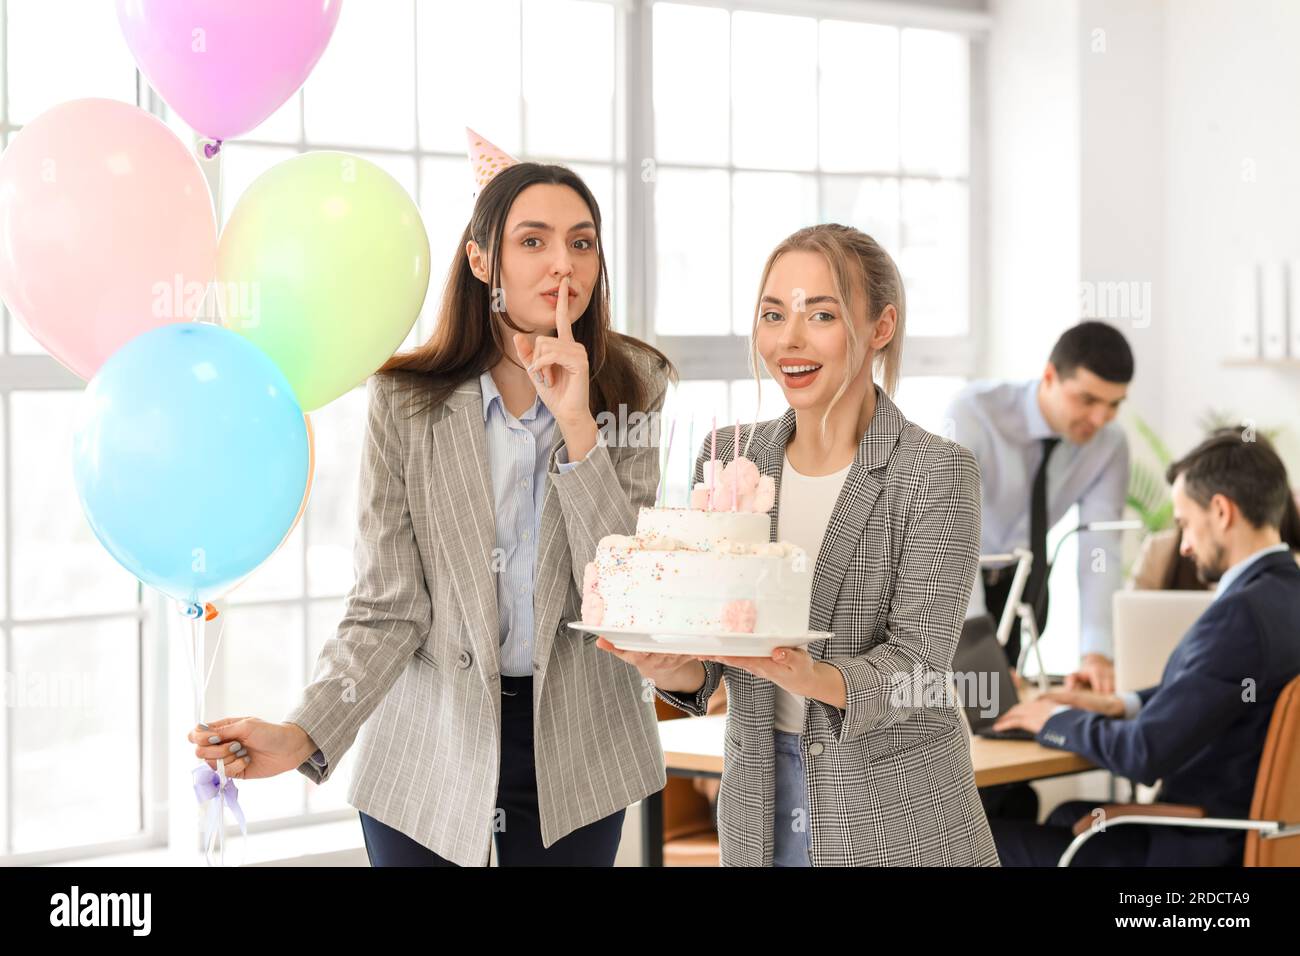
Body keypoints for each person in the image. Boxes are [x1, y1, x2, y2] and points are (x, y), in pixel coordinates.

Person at [188, 151, 676, 866]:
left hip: (582, 748)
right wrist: (302, 733)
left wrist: (577, 424)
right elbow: (387, 607)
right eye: (532, 241)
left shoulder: (636, 387)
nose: (562, 265)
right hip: (428, 742)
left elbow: (624, 594)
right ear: (483, 262)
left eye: (581, 242)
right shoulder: (406, 401)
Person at [599, 224, 998, 866]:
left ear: (880, 327)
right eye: (773, 314)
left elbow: (921, 670)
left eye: (822, 314)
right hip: (760, 797)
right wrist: (672, 667)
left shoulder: (935, 471)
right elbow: (716, 652)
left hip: (894, 809)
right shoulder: (730, 457)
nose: (790, 340)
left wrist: (813, 676)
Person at [989, 430, 1300, 865]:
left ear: (1221, 511)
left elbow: (1142, 755)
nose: (1185, 545)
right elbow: (1216, 694)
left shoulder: (1241, 615)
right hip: (1251, 833)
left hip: (1202, 845)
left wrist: (1054, 717)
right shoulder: (1284, 596)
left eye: (1185, 524)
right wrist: (1121, 704)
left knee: (979, 842)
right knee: (1065, 815)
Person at [946, 321, 1134, 694]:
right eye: (1088, 400)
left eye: (1113, 405)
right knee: (951, 710)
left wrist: (1096, 651)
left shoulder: (1109, 445)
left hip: (1023, 584)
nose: (1100, 419)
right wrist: (977, 649)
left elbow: (1100, 548)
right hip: (953, 579)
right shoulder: (974, 413)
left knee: (1002, 716)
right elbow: (952, 534)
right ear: (1049, 376)